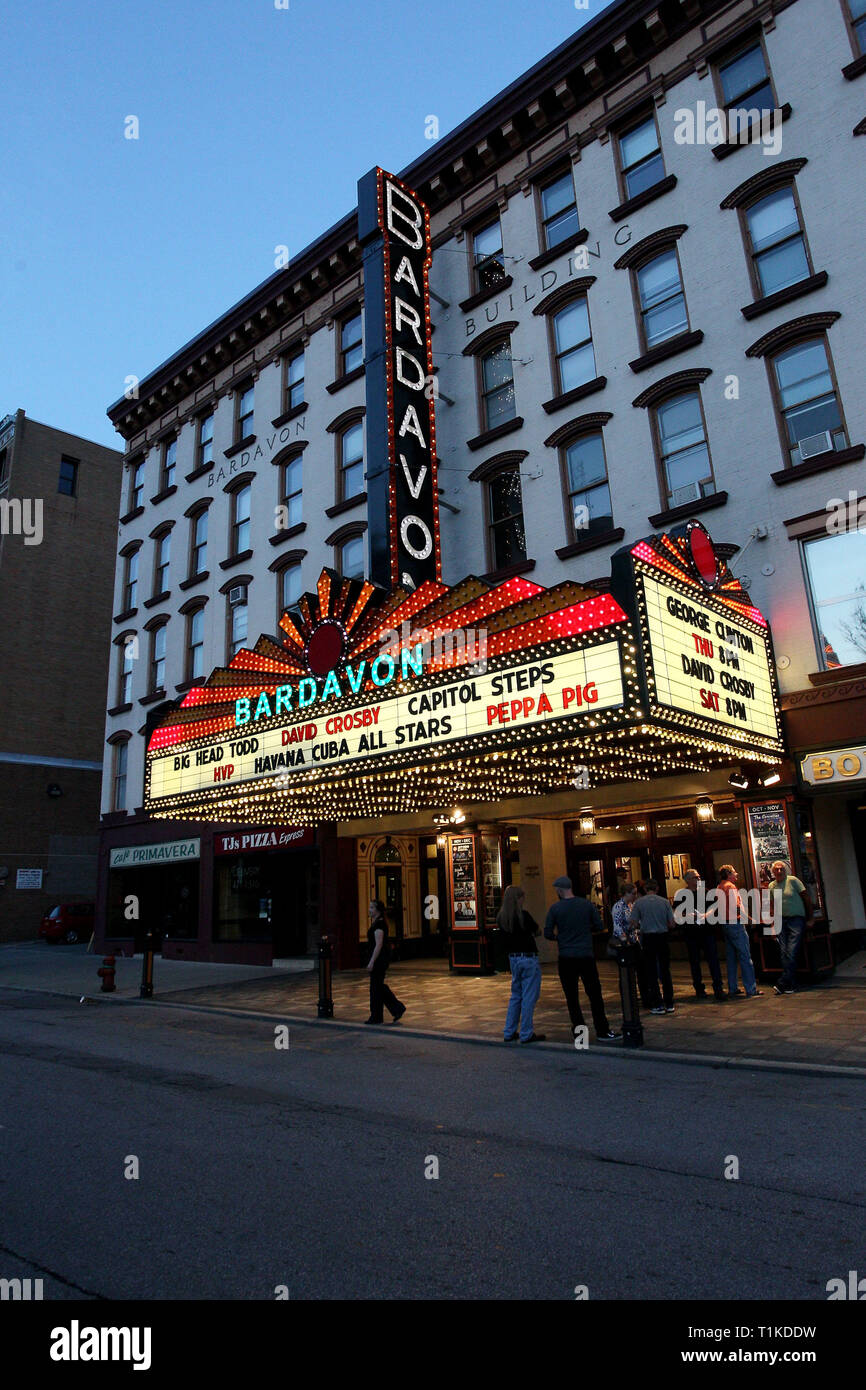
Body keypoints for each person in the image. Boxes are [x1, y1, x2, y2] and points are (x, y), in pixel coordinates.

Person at [544, 876, 620, 1041]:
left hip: (566, 957)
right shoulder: (586, 905)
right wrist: (585, 931)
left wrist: (560, 937)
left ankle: (580, 1034)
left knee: (572, 997)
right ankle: (602, 1030)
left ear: (559, 890)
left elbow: (547, 932)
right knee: (594, 994)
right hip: (586, 955)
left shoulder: (555, 908)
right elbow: (599, 926)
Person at [497, 884, 545, 1044]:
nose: (524, 899)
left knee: (516, 995)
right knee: (529, 996)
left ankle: (509, 1031)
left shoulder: (502, 917)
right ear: (518, 898)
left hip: (513, 958)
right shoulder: (524, 915)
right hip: (528, 957)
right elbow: (537, 931)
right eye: (522, 896)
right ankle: (526, 1033)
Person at [674, 868, 726, 1003]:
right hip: (691, 933)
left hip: (707, 931)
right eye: (695, 877)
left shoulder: (705, 892)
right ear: (687, 880)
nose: (698, 879)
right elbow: (677, 913)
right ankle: (699, 988)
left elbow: (714, 907)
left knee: (713, 960)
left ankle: (718, 987)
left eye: (698, 877)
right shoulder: (681, 895)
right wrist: (687, 915)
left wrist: (705, 915)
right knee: (694, 962)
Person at [629, 879, 675, 1014]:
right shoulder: (665, 902)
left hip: (648, 938)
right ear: (657, 888)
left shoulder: (639, 903)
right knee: (665, 970)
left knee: (651, 971)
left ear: (644, 889)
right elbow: (672, 923)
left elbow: (633, 922)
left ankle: (657, 1003)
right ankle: (669, 1002)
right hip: (662, 937)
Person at [716, 865, 762, 999]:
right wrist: (749, 919)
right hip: (735, 924)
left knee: (731, 958)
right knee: (745, 956)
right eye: (734, 872)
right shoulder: (730, 887)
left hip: (725, 924)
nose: (736, 874)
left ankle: (733, 987)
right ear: (728, 874)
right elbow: (735, 906)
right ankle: (751, 989)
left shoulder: (720, 886)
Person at [770, 860, 813, 996]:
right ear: (773, 872)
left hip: (796, 919)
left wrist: (810, 918)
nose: (779, 871)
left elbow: (806, 898)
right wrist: (772, 925)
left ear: (785, 870)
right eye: (776, 869)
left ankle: (782, 983)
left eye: (781, 869)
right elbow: (772, 906)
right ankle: (791, 984)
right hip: (781, 920)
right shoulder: (772, 886)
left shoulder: (793, 881)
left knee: (791, 950)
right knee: (784, 952)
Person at [611, 881, 652, 1009]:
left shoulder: (632, 905)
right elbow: (617, 926)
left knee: (642, 970)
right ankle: (628, 997)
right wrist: (624, 939)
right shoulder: (618, 907)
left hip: (634, 940)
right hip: (625, 943)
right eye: (633, 893)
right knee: (627, 972)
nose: (635, 896)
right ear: (625, 894)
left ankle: (645, 997)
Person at [365, 899, 406, 1025]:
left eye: (372, 907)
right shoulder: (378, 923)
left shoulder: (379, 925)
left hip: (379, 960)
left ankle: (378, 1015)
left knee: (376, 988)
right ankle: (395, 1009)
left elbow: (379, 944)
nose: (369, 910)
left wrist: (372, 961)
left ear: (378, 910)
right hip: (379, 959)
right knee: (378, 987)